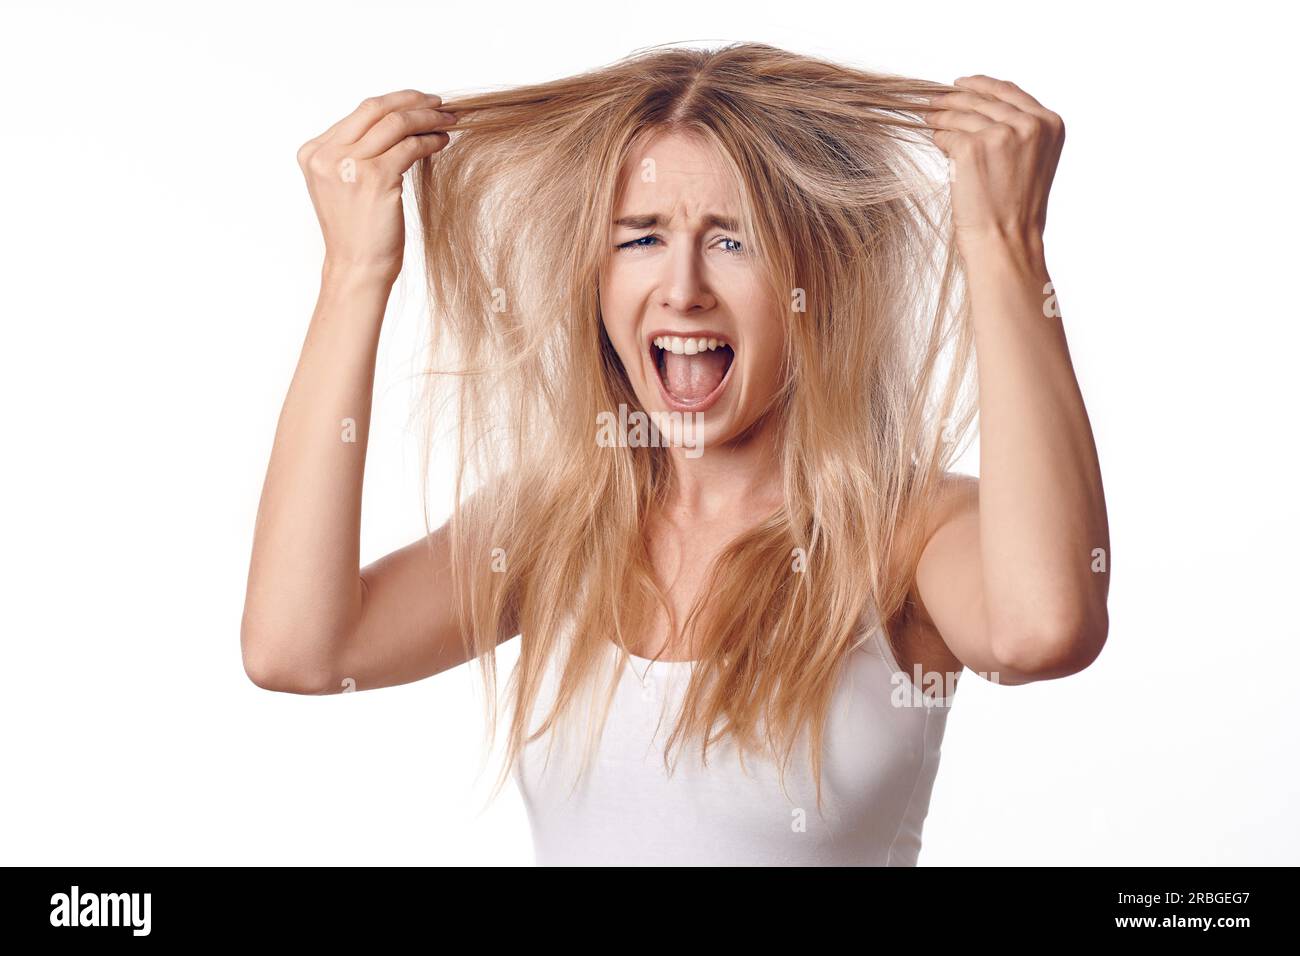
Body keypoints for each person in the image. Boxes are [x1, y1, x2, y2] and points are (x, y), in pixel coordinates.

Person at [241, 42, 1109, 865]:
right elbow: (299, 649)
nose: (684, 289)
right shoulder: (550, 530)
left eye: (736, 241)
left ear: (821, 278)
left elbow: (1043, 630)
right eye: (642, 236)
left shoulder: (909, 537)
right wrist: (354, 272)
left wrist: (1006, 247)